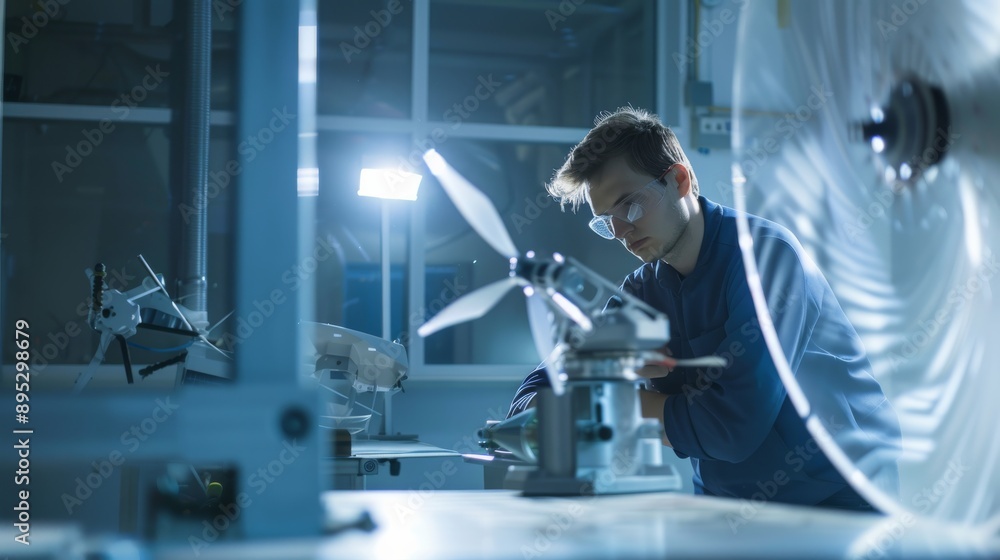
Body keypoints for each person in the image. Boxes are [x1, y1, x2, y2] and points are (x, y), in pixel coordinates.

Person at [508, 107, 900, 510]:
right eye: (607, 221)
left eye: (629, 205)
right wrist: (551, 402)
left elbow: (733, 427)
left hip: (837, 496)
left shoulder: (765, 259)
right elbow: (541, 385)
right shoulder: (643, 291)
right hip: (727, 501)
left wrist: (600, 404)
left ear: (679, 180)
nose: (622, 231)